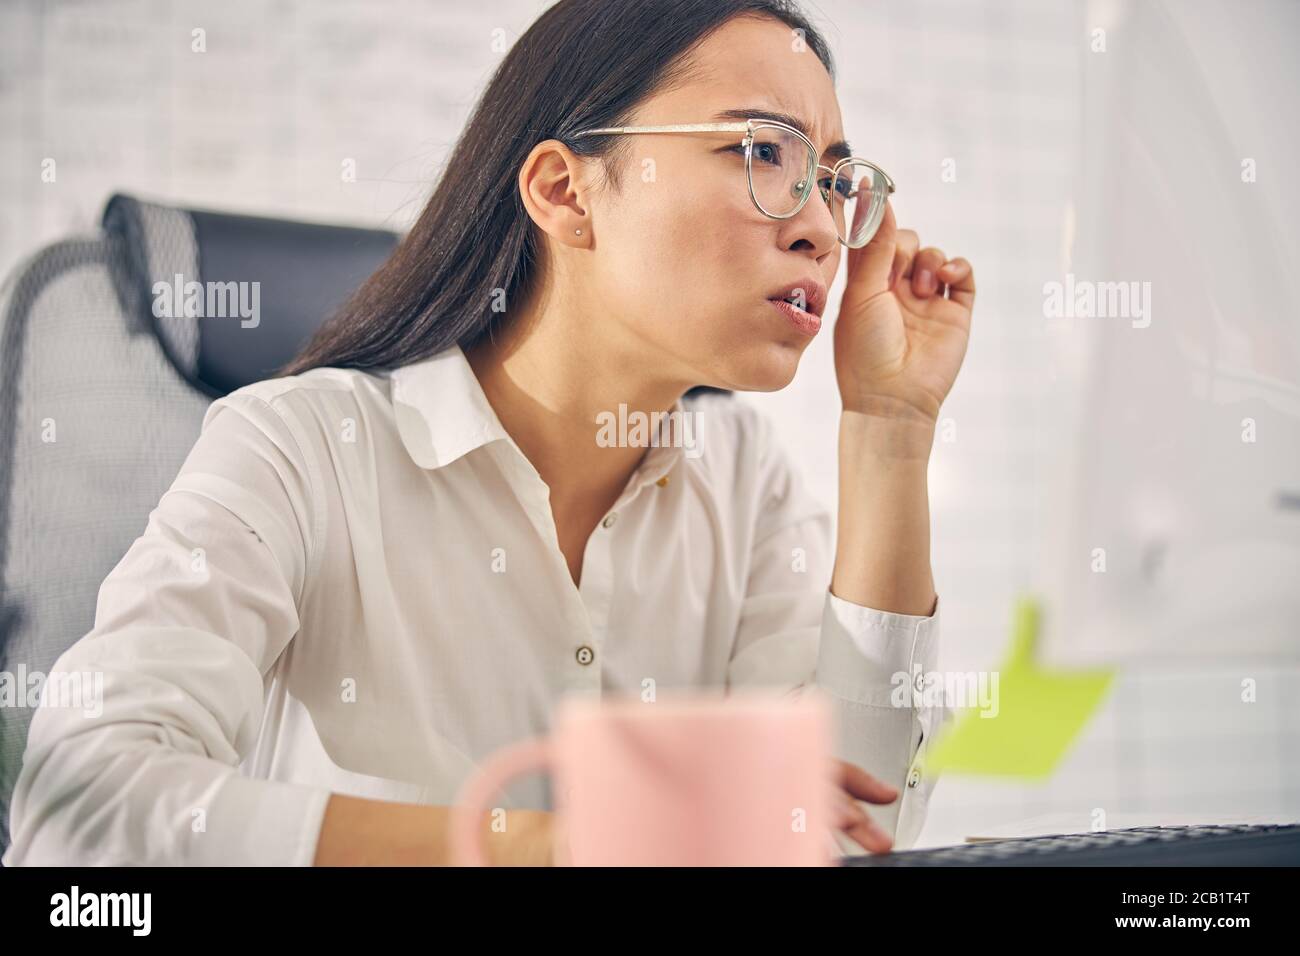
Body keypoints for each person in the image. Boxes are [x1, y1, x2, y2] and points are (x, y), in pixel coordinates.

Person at [4, 0, 974, 866]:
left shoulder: (744, 480)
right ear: (564, 191)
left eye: (835, 180)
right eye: (761, 151)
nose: (816, 223)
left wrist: (890, 427)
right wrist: (545, 845)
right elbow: (77, 806)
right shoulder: (299, 450)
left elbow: (848, 835)